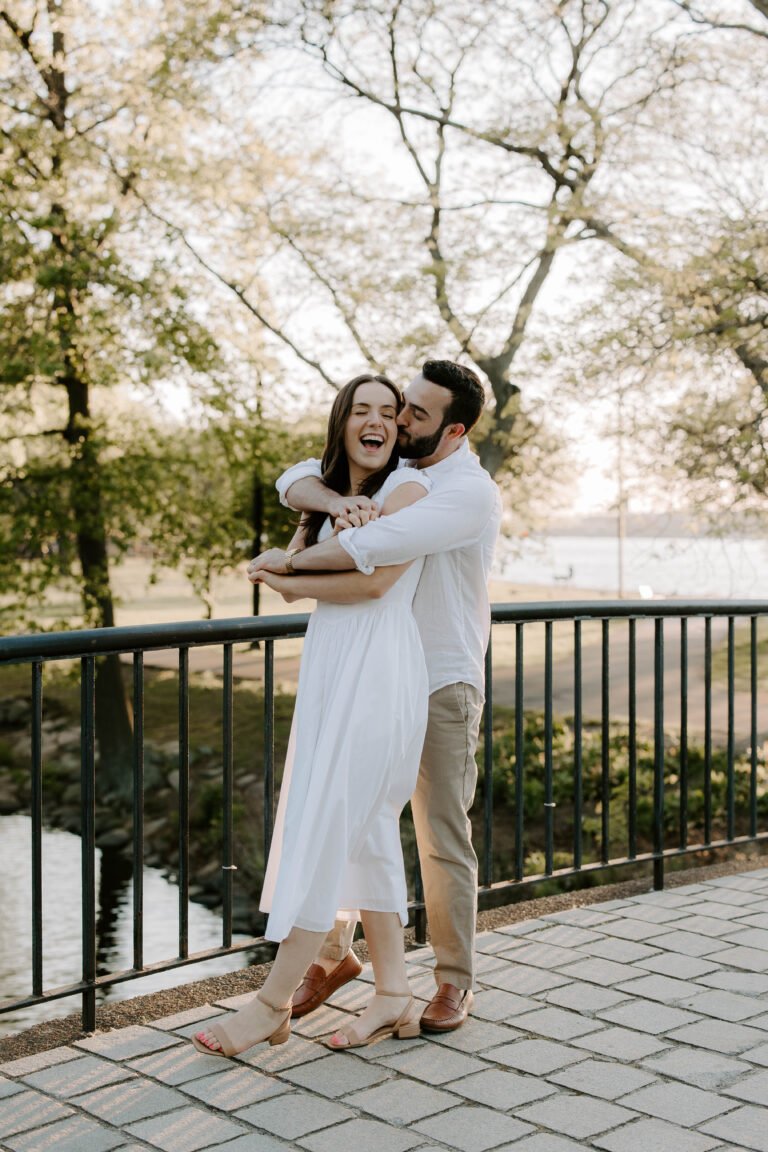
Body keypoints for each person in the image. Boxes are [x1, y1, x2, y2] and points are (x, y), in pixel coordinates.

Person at [249, 359, 502, 1033]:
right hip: (376, 670)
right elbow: (295, 476)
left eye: (413, 414)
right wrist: (330, 502)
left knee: (437, 829)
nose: (398, 421)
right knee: (349, 809)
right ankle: (336, 957)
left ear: (453, 429)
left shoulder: (459, 492)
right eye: (397, 408)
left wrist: (287, 567)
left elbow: (372, 554)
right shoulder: (397, 470)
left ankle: (452, 980)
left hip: (441, 675)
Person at [193, 373, 432, 1056]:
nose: (377, 420)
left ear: (402, 429)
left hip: (380, 673)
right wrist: (304, 548)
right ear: (343, 422)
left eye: (389, 412)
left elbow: (376, 581)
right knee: (366, 833)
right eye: (362, 409)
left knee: (333, 826)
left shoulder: (410, 492)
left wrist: (283, 569)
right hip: (333, 670)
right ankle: (392, 993)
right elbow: (294, 483)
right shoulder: (327, 493)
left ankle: (271, 1003)